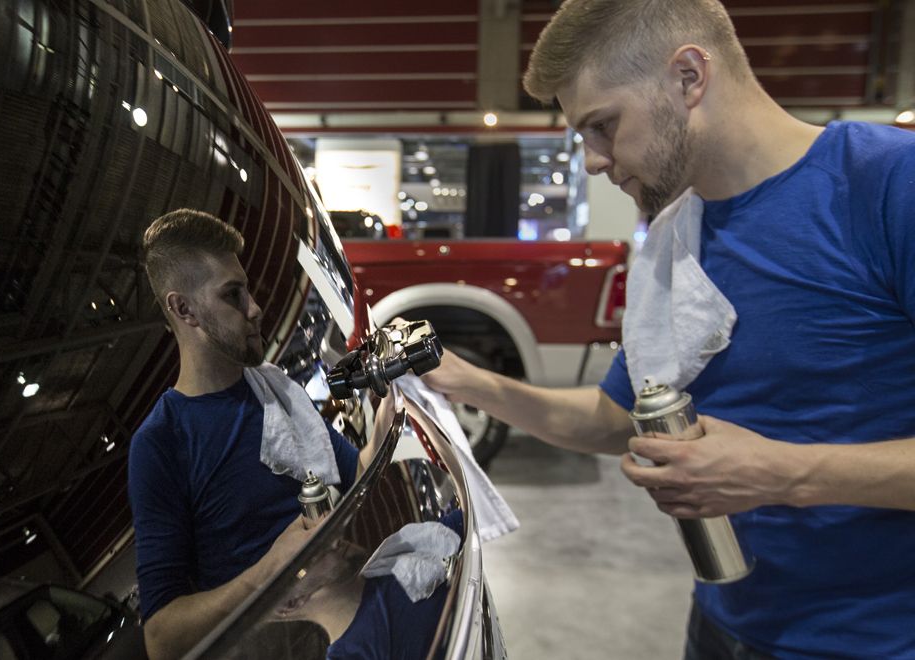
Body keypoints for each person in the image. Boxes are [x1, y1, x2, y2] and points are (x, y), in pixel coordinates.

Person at [422, 1, 915, 658]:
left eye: (603, 125)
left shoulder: (887, 183)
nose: (593, 161)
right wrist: (464, 380)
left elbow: (772, 472)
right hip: (722, 623)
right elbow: (612, 416)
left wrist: (788, 474)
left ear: (688, 77)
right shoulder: (676, 237)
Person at [128, 209, 366, 660]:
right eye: (232, 295)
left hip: (349, 623)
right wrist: (277, 566)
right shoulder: (162, 442)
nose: (254, 308)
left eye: (247, 289)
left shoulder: (275, 390)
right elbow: (161, 639)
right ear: (183, 309)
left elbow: (355, 473)